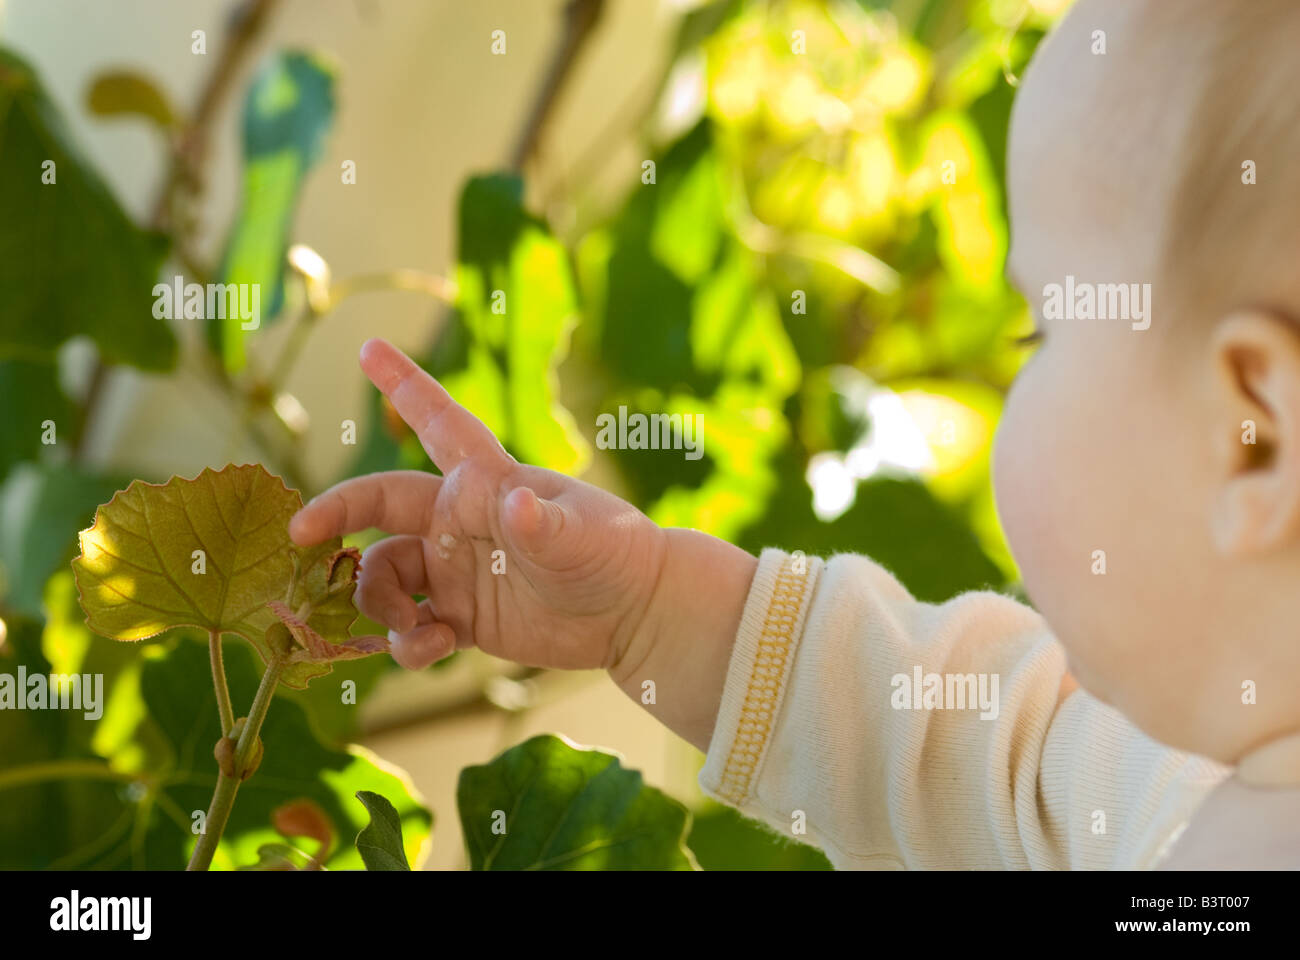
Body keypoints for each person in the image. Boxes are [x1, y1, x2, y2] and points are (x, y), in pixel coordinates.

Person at [289, 0, 1300, 868]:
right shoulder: (1156, 773)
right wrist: (649, 611)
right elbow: (949, 732)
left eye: (1044, 328)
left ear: (1249, 433)